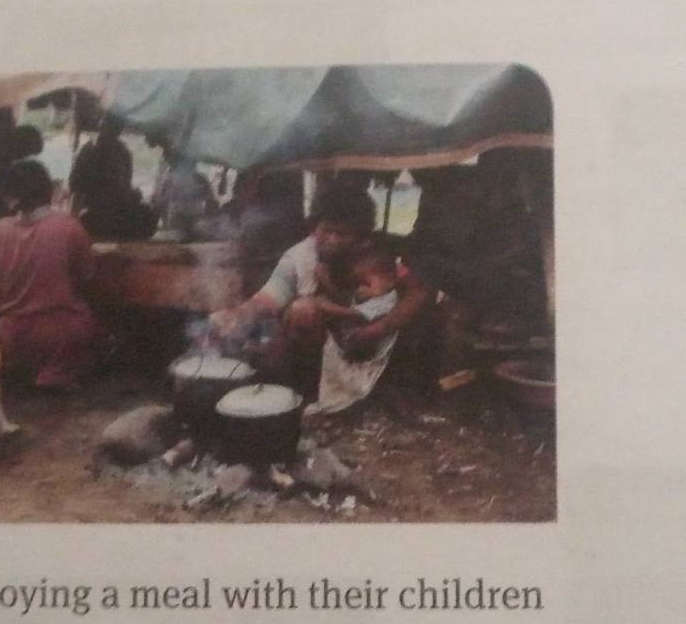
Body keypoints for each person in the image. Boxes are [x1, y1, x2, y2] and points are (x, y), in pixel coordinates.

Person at [210, 184, 431, 395]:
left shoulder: (373, 257)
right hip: (323, 346)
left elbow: (418, 292)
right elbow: (269, 298)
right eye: (326, 230)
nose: (331, 240)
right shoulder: (300, 256)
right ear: (315, 227)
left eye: (342, 234)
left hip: (369, 343)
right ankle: (307, 386)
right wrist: (234, 315)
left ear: (361, 238)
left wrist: (377, 329)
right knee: (302, 310)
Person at [0, 159, 100, 390]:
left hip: (10, 334)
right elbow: (88, 278)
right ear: (48, 191)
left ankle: (24, 367)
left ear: (10, 196)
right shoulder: (69, 227)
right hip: (60, 335)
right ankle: (57, 373)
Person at [306, 245, 401, 414]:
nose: (360, 289)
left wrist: (327, 307)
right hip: (349, 342)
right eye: (356, 284)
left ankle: (338, 402)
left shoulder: (387, 300)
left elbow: (357, 315)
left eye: (365, 283)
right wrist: (325, 282)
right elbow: (345, 299)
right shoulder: (373, 292)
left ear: (389, 281)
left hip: (367, 355)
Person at [68, 118, 157, 240]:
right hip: (98, 215)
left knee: (147, 214)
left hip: (117, 214)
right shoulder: (89, 151)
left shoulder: (122, 152)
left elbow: (125, 186)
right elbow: (76, 188)